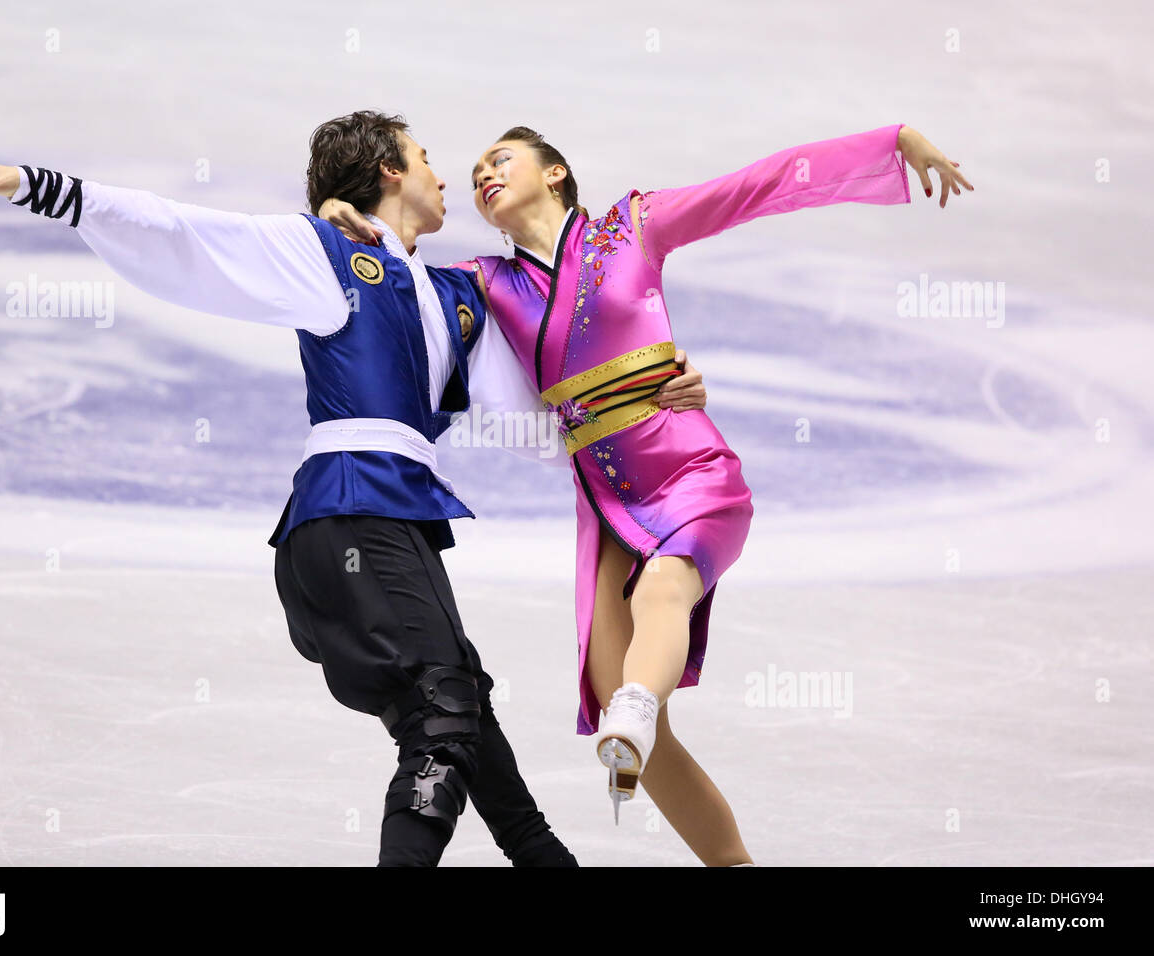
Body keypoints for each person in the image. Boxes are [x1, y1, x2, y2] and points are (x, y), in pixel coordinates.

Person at [0, 111, 707, 866]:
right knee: (445, 718)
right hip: (351, 516)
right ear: (391, 171)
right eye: (428, 156)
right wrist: (41, 185)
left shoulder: (458, 300)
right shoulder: (331, 252)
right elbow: (184, 233)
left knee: (463, 712)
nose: (446, 177)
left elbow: (540, 427)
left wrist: (649, 401)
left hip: (381, 525)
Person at [323, 121, 973, 864]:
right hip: (607, 503)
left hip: (692, 470)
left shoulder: (633, 226)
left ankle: (637, 705)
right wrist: (347, 224)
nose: (482, 176)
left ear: (557, 172)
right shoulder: (488, 280)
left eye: (500, 159)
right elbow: (403, 283)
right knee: (616, 694)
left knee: (657, 604)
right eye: (473, 173)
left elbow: (753, 187)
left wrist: (891, 143)